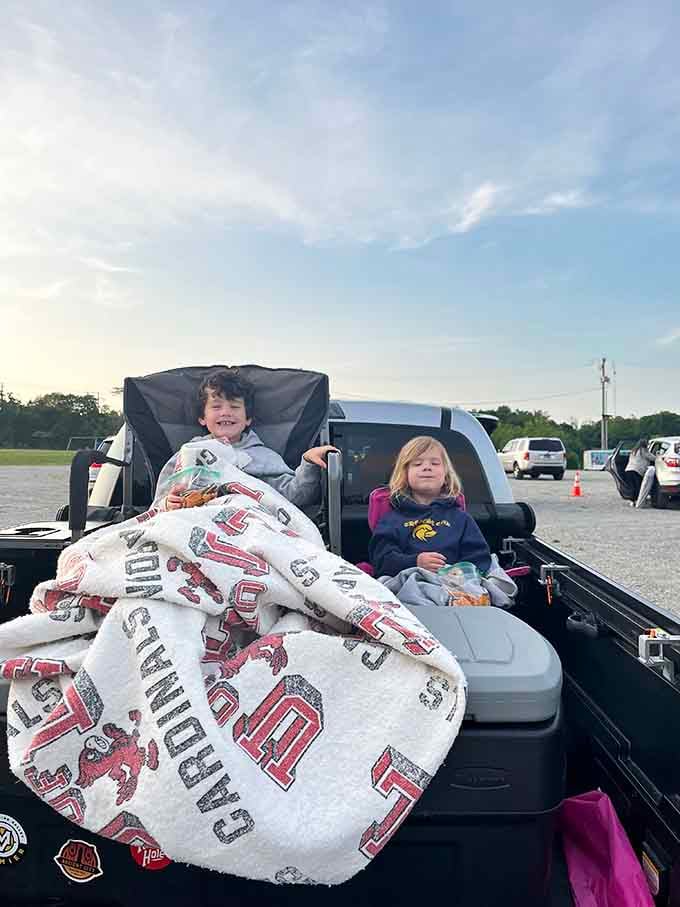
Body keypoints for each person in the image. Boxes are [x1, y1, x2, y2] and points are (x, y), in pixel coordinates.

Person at [163, 369, 336, 510]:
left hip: (249, 530)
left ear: (248, 419)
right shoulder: (187, 454)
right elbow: (160, 503)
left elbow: (293, 497)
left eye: (234, 406)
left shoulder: (263, 456)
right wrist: (167, 504)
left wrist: (308, 461)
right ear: (202, 418)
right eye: (216, 406)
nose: (225, 412)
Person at [368, 435, 491, 578]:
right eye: (418, 464)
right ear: (405, 474)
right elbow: (381, 561)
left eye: (435, 463)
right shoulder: (391, 520)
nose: (427, 467)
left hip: (454, 588)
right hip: (407, 587)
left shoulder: (461, 519)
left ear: (446, 474)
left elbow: (480, 558)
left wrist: (458, 574)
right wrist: (414, 562)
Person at [625, 439, 655, 504]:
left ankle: (632, 501)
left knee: (632, 487)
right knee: (638, 487)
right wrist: (659, 457)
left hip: (628, 470)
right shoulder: (643, 450)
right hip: (637, 470)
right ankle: (638, 501)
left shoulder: (634, 450)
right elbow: (652, 458)